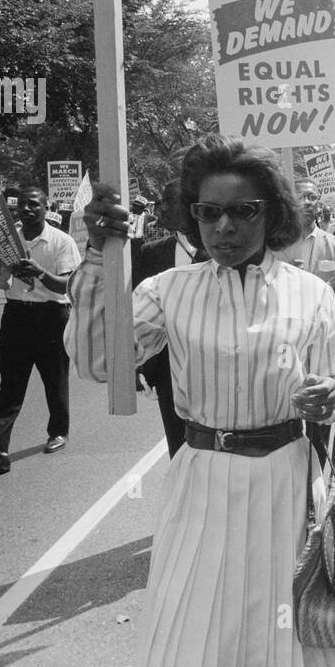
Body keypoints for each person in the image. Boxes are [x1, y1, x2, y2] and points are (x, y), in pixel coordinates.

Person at [68, 136, 335, 667]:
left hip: (288, 483)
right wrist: (96, 255)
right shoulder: (167, 290)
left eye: (243, 211)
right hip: (202, 479)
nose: (224, 227)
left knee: (288, 633)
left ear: (272, 214)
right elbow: (99, 364)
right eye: (209, 212)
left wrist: (328, 396)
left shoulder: (310, 293)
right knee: (192, 630)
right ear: (192, 215)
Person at [0, 184, 81, 473]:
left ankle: (58, 431)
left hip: (52, 317)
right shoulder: (7, 242)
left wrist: (40, 273)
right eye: (22, 204)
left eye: (34, 204)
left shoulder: (61, 241)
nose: (28, 209)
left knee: (54, 379)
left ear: (45, 208)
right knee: (10, 385)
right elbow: (0, 284)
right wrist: (6, 269)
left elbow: (69, 286)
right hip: (16, 316)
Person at [131, 179, 207, 459]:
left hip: (214, 367)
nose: (160, 208)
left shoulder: (222, 251)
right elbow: (135, 315)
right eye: (159, 202)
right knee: (180, 450)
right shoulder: (151, 253)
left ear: (192, 206)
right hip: (167, 370)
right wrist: (137, 365)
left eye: (168, 201)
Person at [273, 180, 335, 317]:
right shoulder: (274, 246)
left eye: (312, 197)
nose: (307, 202)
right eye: (300, 196)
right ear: (290, 201)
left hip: (324, 331)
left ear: (318, 204)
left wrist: (318, 317)